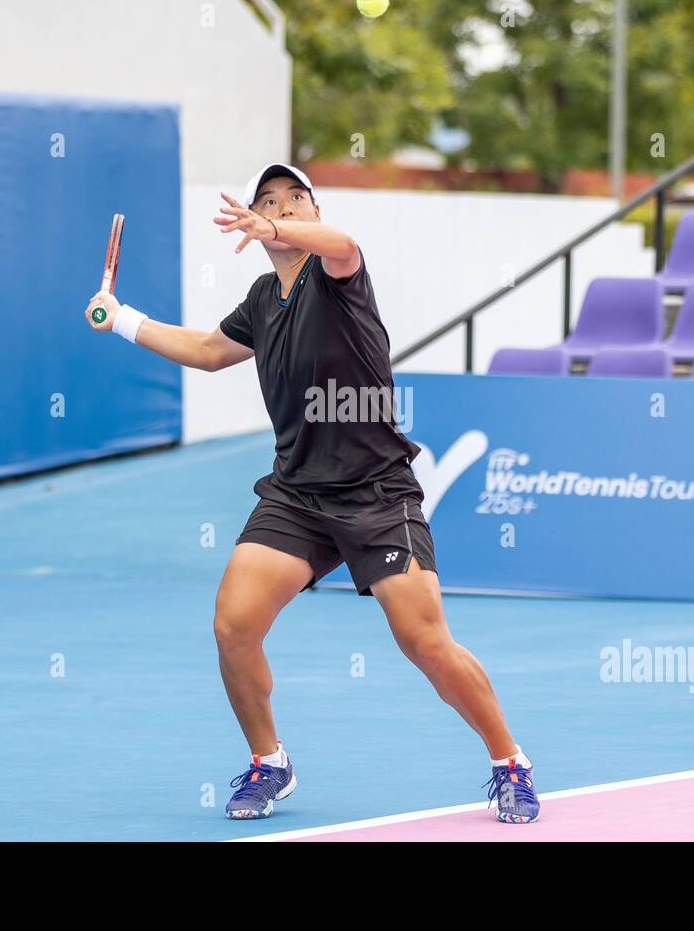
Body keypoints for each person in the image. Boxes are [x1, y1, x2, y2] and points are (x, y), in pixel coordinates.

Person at [84, 163, 538, 824]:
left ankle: (509, 762)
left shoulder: (340, 277)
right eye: (268, 202)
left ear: (315, 211)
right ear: (252, 226)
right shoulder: (263, 300)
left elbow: (345, 244)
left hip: (377, 491)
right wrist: (123, 320)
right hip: (298, 493)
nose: (284, 208)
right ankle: (269, 763)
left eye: (297, 199)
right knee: (234, 626)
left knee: (423, 640)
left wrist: (284, 225)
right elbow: (210, 350)